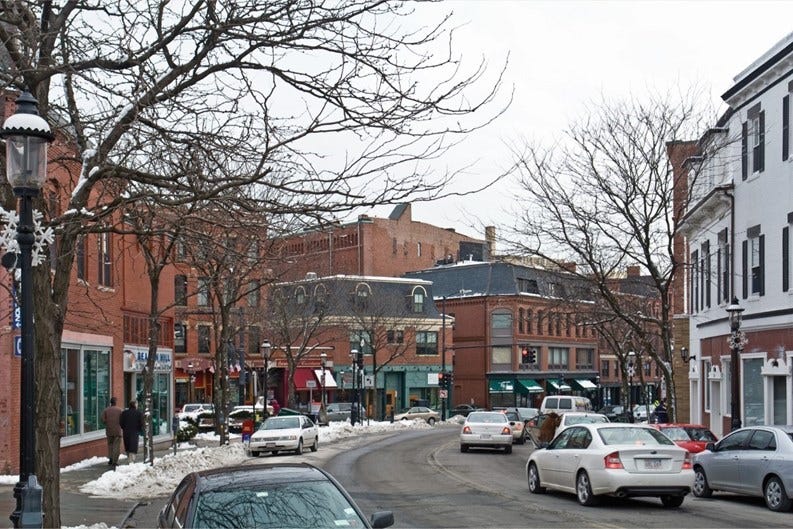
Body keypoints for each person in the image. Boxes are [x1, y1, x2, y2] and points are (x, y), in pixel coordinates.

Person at [101, 397, 123, 469]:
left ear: (110, 402)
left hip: (109, 430)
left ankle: (110, 458)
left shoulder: (106, 410)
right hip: (117, 431)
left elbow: (103, 419)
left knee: (110, 445)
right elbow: (123, 420)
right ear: (115, 402)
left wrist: (107, 423)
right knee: (116, 446)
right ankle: (115, 461)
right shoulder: (120, 410)